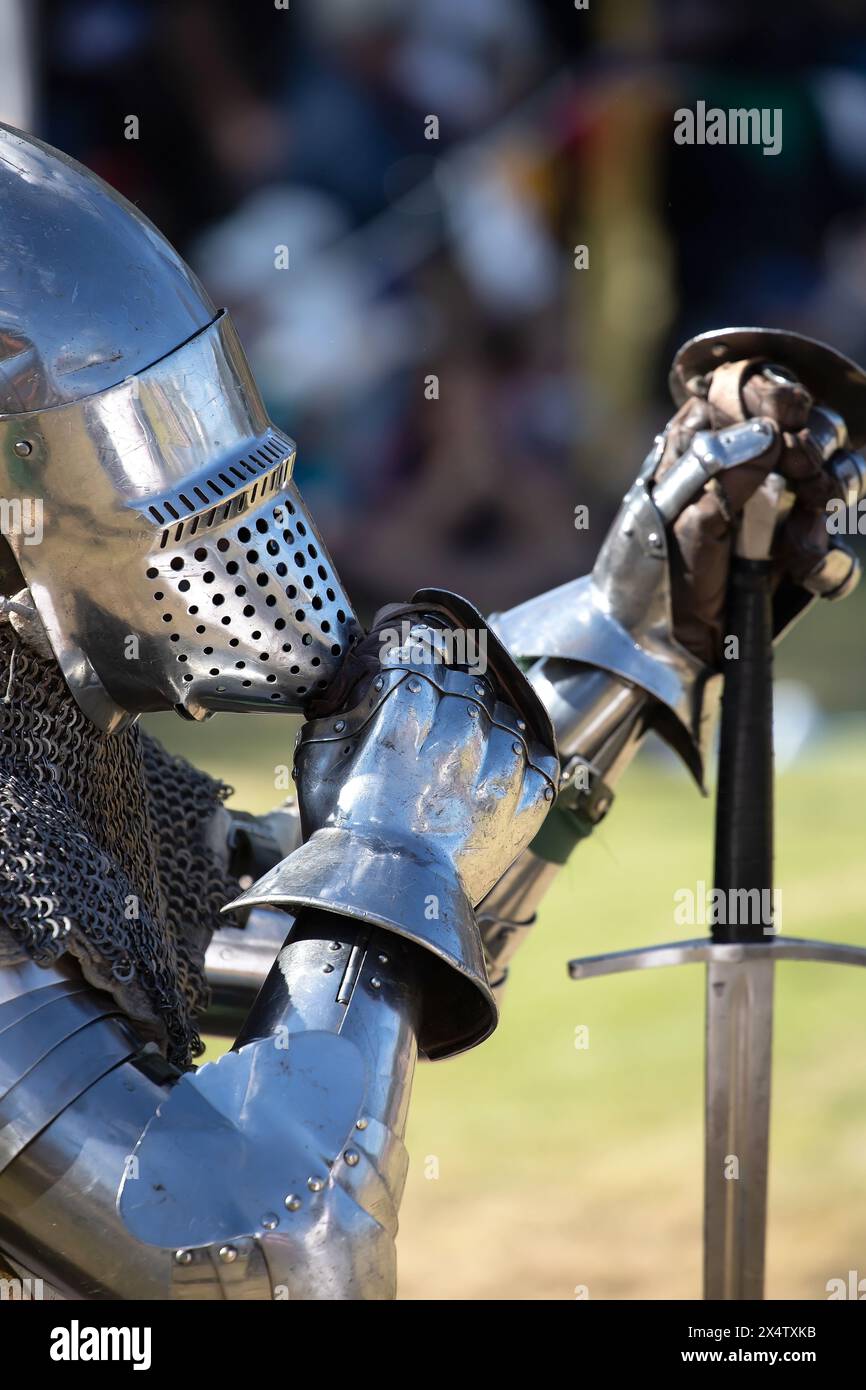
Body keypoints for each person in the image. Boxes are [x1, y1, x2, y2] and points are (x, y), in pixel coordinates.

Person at [0, 124, 857, 1300]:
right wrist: (392, 838)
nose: (235, 528)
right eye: (142, 459)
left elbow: (315, 939)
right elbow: (260, 1250)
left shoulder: (42, 789)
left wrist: (634, 611)